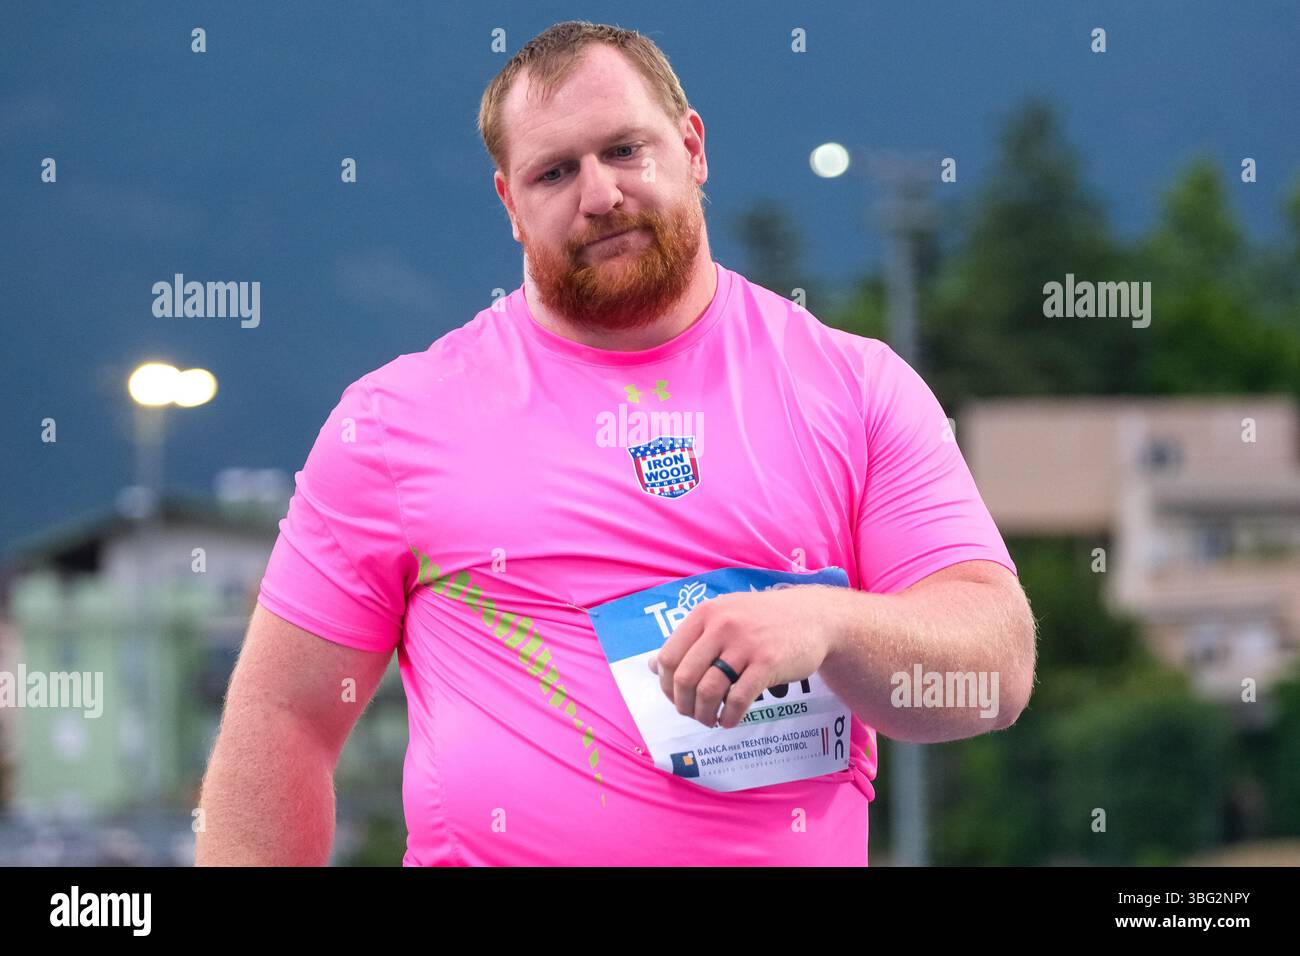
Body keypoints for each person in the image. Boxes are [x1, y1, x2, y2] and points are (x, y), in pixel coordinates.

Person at [196, 20, 1036, 867]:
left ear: (692, 146)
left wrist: (829, 623)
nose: (599, 195)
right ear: (509, 204)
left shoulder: (855, 388)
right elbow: (282, 720)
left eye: (625, 150)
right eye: (555, 172)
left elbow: (993, 676)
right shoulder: (393, 423)